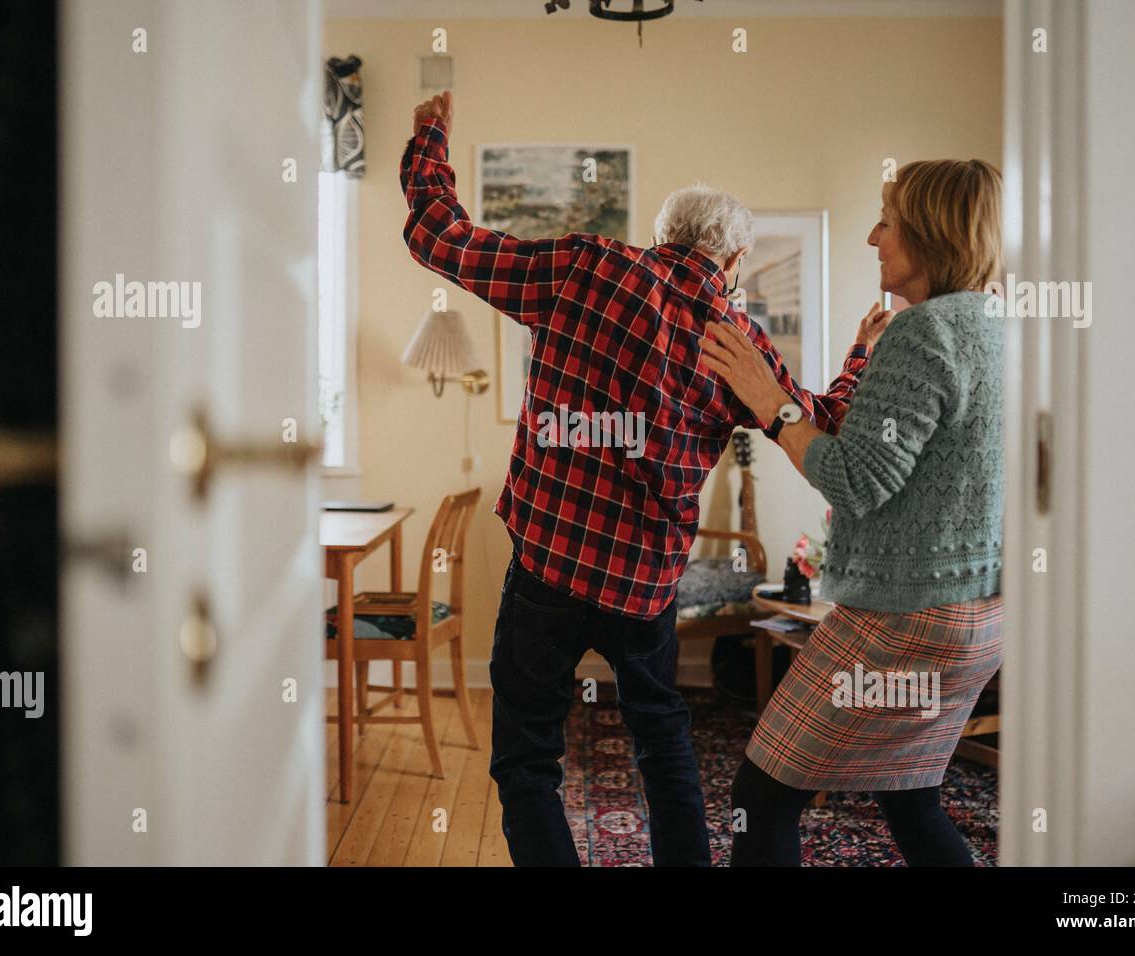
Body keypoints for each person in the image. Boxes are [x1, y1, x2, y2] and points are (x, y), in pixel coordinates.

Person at [399, 92, 886, 866]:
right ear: (729, 265)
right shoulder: (736, 340)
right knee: (663, 748)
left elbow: (439, 238)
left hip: (549, 567)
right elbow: (821, 421)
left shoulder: (585, 266)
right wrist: (862, 354)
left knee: (526, 761)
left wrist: (431, 136)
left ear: (661, 239)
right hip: (644, 583)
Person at [700, 159, 1005, 867]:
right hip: (979, 615)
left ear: (930, 235)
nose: (873, 237)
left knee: (759, 798)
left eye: (888, 222)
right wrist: (859, 363)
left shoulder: (923, 332)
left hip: (904, 621)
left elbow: (856, 479)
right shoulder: (994, 325)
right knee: (911, 794)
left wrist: (765, 399)